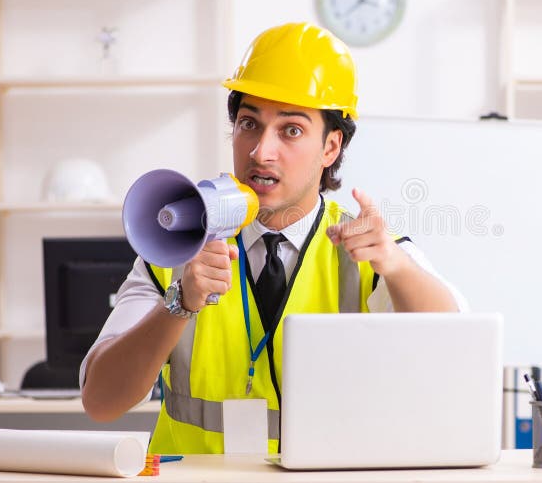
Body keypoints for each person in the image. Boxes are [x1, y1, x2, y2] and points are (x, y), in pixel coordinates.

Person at [80, 22, 467, 454]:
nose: (261, 151)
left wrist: (395, 266)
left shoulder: (373, 251)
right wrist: (179, 305)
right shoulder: (175, 251)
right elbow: (100, 401)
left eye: (291, 130)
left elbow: (457, 354)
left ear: (331, 148)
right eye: (249, 123)